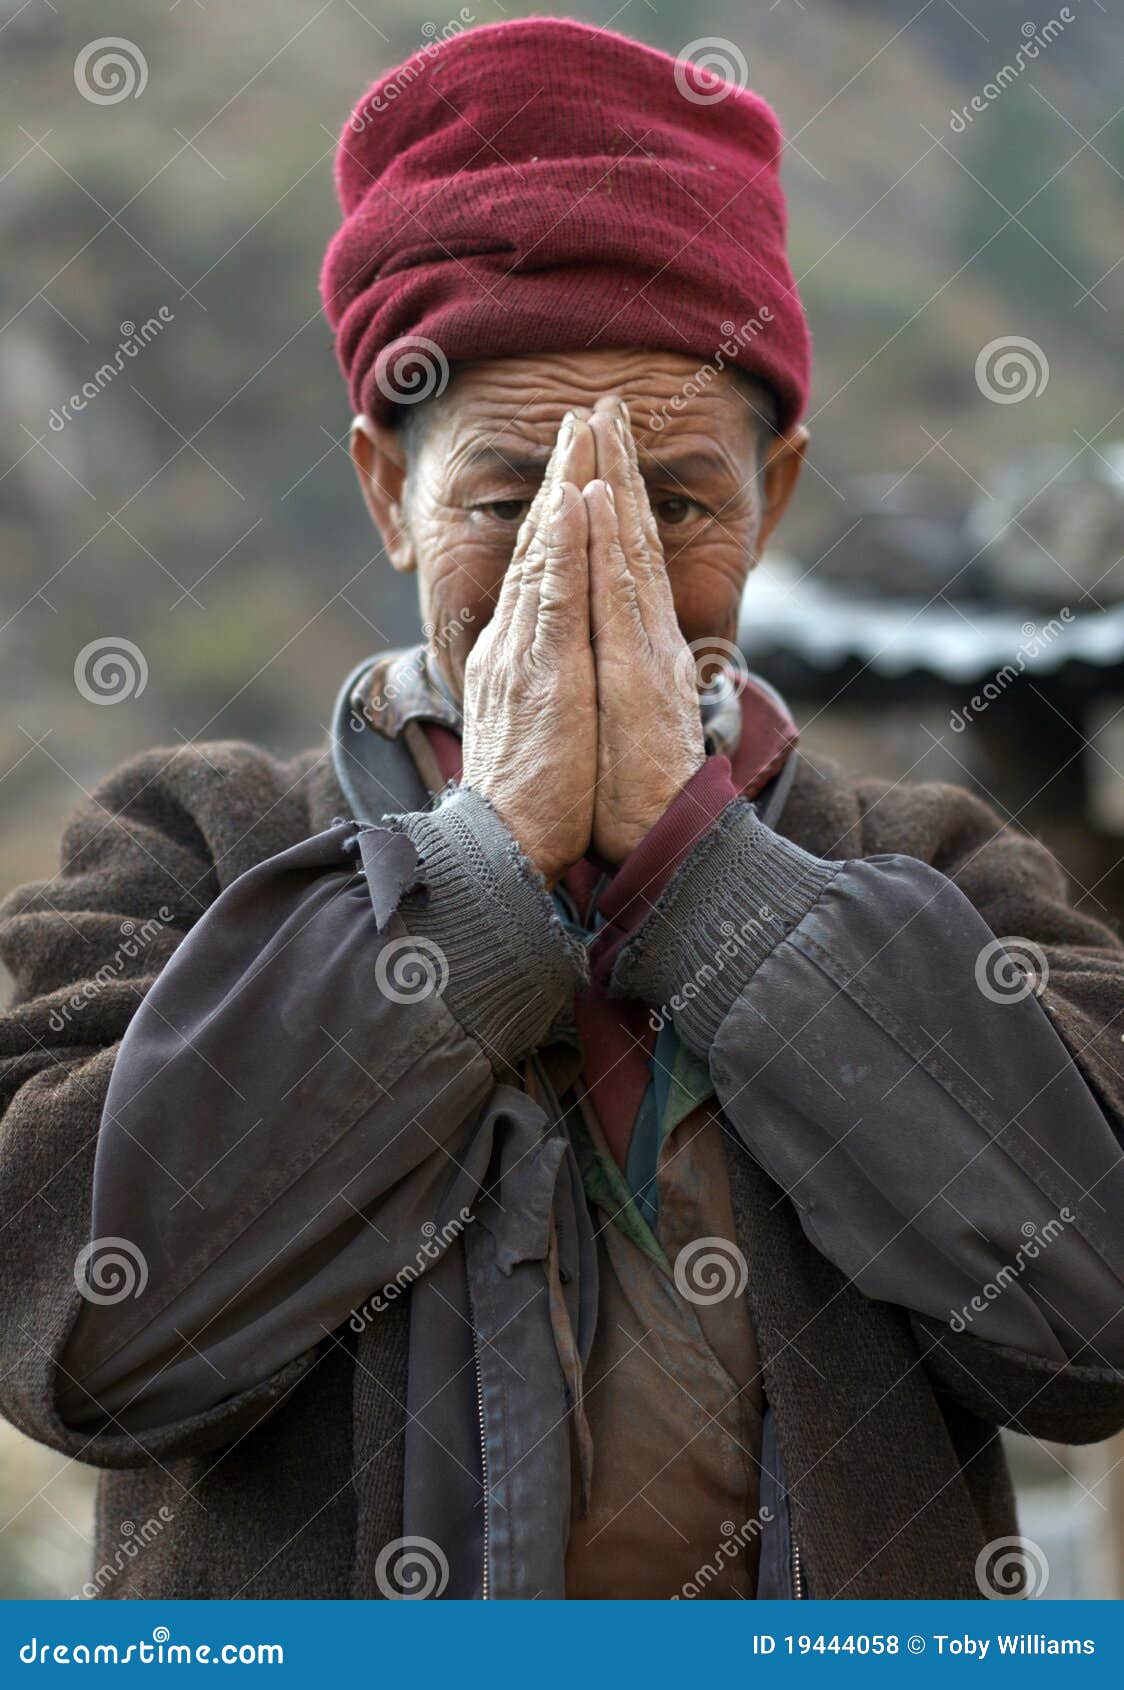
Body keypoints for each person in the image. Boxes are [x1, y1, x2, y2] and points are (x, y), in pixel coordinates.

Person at [2, 17, 1124, 1602]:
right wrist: (479, 878)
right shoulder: (182, 856)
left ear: (776, 496)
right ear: (388, 492)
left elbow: (1094, 1319)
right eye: (507, 495)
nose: (590, 563)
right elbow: (89, 1342)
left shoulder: (934, 872)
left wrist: (714, 881)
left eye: (675, 500)